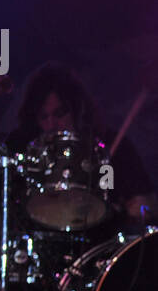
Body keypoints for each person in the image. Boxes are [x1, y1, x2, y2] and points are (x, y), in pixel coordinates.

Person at [10, 61, 153, 228]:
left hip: (100, 244)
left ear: (78, 110)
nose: (51, 124)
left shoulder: (111, 144)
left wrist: (144, 205)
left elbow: (149, 199)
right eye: (43, 117)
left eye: (59, 113)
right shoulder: (24, 147)